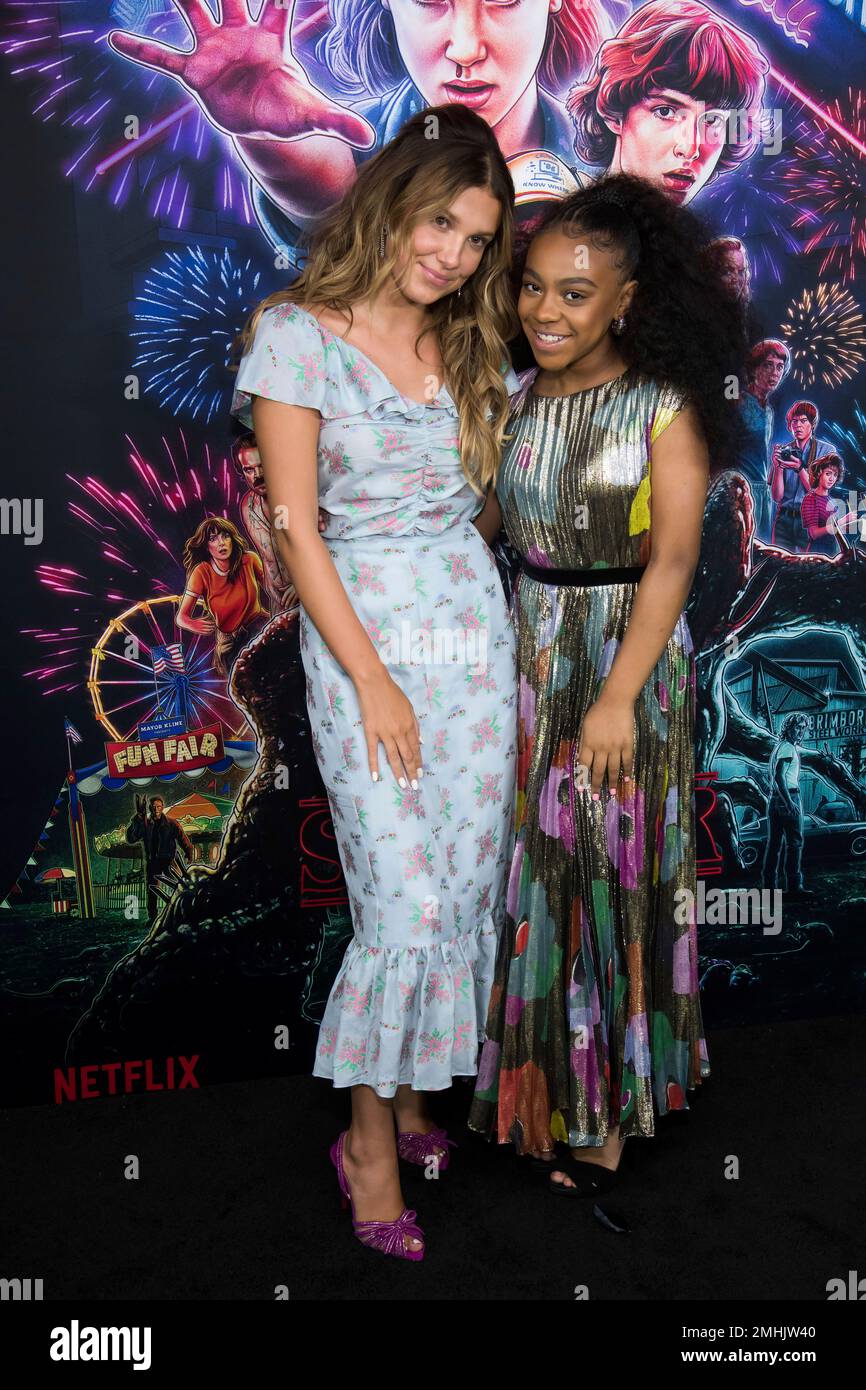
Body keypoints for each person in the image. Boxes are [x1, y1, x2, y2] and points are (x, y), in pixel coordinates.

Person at [229, 104, 520, 1260]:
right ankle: (367, 1144)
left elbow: (481, 509)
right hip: (365, 637)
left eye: (476, 238)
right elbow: (297, 532)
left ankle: (409, 1096)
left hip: (471, 629)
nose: (451, 251)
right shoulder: (295, 334)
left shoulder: (470, 343)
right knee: (396, 904)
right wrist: (373, 681)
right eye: (439, 219)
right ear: (392, 199)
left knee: (456, 883)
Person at [467, 172, 747, 1196]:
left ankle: (608, 1109)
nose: (544, 311)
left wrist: (617, 697)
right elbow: (484, 535)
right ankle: (537, 1091)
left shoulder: (660, 406)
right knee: (538, 880)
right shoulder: (517, 398)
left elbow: (672, 560)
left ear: (627, 300)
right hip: (529, 653)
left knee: (607, 876)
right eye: (532, 288)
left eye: (574, 294)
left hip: (621, 661)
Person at [108, 0, 614, 270]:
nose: (464, 47)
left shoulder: (611, 166)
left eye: (504, 0)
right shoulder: (365, 154)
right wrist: (266, 135)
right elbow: (330, 201)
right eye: (427, 0)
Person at [566, 0, 768, 207]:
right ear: (615, 114)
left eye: (712, 120)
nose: (690, 148)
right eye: (665, 111)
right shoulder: (558, 215)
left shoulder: (696, 238)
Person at [177, 517, 269, 677]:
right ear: (206, 546)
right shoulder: (202, 572)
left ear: (232, 539)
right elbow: (181, 617)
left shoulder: (249, 560)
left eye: (225, 536)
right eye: (213, 539)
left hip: (258, 626)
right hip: (229, 641)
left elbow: (273, 588)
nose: (221, 543)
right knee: (241, 684)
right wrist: (192, 623)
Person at [232, 435, 297, 612]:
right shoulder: (247, 506)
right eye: (249, 470)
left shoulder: (297, 494)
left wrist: (302, 582)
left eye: (263, 466)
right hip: (280, 605)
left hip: (313, 591)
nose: (258, 475)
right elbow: (267, 557)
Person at [735, 340, 791, 543]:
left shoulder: (769, 411)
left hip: (762, 494)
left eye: (779, 367)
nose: (774, 372)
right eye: (768, 365)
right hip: (740, 492)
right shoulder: (738, 402)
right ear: (754, 368)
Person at [770, 402, 837, 552]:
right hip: (784, 520)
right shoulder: (784, 451)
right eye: (794, 421)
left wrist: (800, 468)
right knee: (777, 566)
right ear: (789, 425)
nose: (798, 425)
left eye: (803, 420)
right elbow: (777, 496)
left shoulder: (826, 451)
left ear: (812, 424)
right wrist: (778, 467)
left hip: (810, 520)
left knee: (808, 570)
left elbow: (818, 491)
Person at [125, 795, 193, 925]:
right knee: (152, 890)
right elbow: (131, 838)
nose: (156, 809)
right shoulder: (145, 824)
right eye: (154, 807)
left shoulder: (171, 823)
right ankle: (153, 917)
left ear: (162, 807)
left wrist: (188, 852)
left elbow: (182, 838)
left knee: (178, 886)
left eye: (159, 806)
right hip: (153, 862)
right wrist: (138, 818)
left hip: (168, 861)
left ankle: (185, 911)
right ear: (150, 808)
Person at [762, 713, 808, 895]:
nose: (801, 731)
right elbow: (779, 776)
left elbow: (775, 776)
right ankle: (795, 888)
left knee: (774, 845)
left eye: (803, 728)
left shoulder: (779, 747)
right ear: (788, 727)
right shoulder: (788, 748)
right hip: (787, 797)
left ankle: (769, 888)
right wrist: (789, 802)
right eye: (798, 727)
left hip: (775, 800)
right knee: (794, 843)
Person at [801, 454, 853, 558]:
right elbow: (814, 534)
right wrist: (840, 522)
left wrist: (846, 526)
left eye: (835, 475)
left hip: (835, 552)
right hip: (819, 555)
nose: (831, 479)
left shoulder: (831, 500)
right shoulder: (811, 499)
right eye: (828, 474)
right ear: (819, 474)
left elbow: (832, 531)